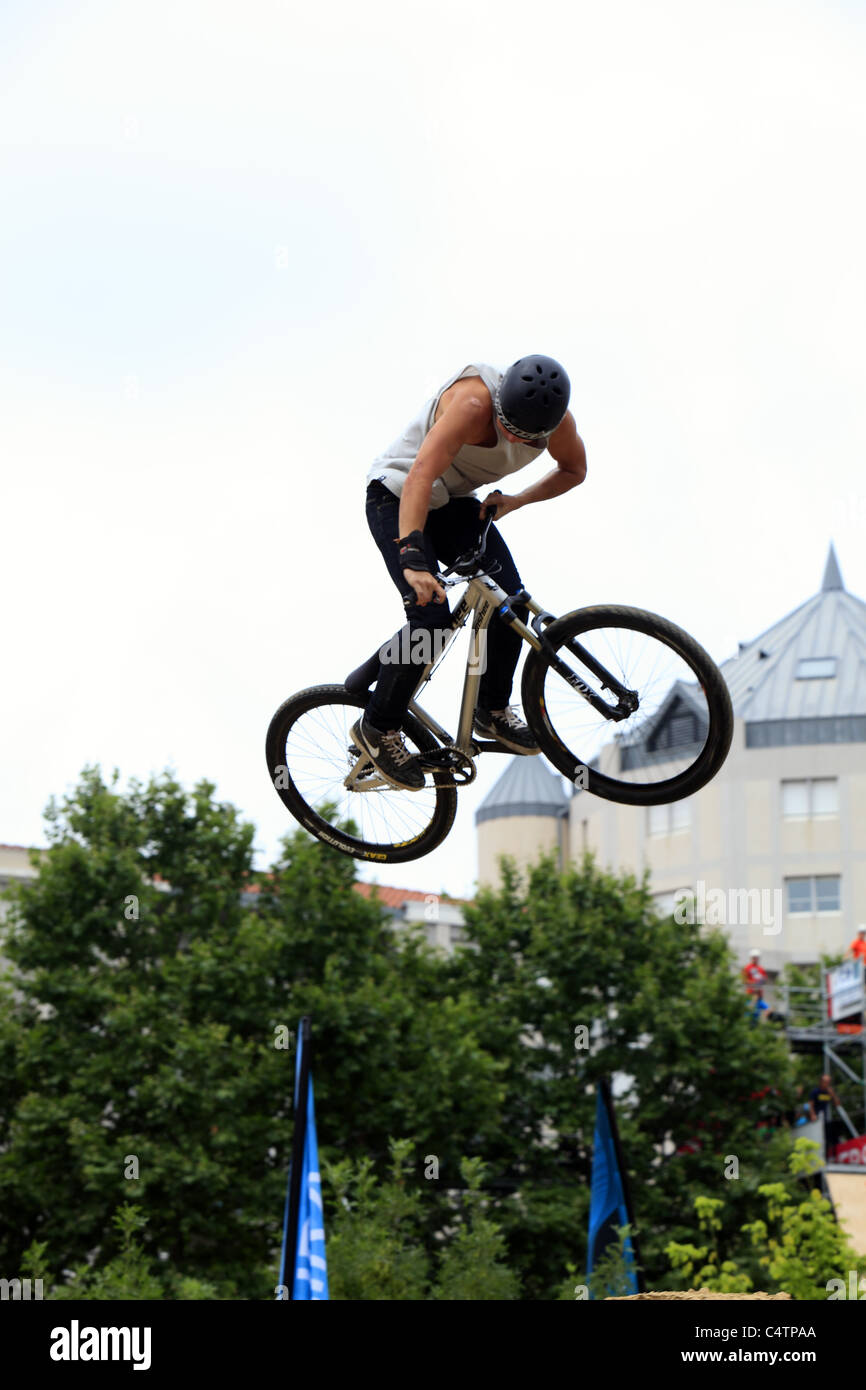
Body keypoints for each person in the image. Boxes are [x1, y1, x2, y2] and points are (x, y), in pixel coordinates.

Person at [354, 356, 587, 789]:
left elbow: (574, 471)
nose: (514, 440)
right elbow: (421, 474)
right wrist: (413, 559)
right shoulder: (472, 403)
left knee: (509, 601)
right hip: (398, 494)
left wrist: (516, 499)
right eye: (508, 430)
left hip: (453, 503)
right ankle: (378, 726)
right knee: (431, 617)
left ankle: (491, 710)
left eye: (526, 437)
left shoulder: (558, 422)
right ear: (500, 406)